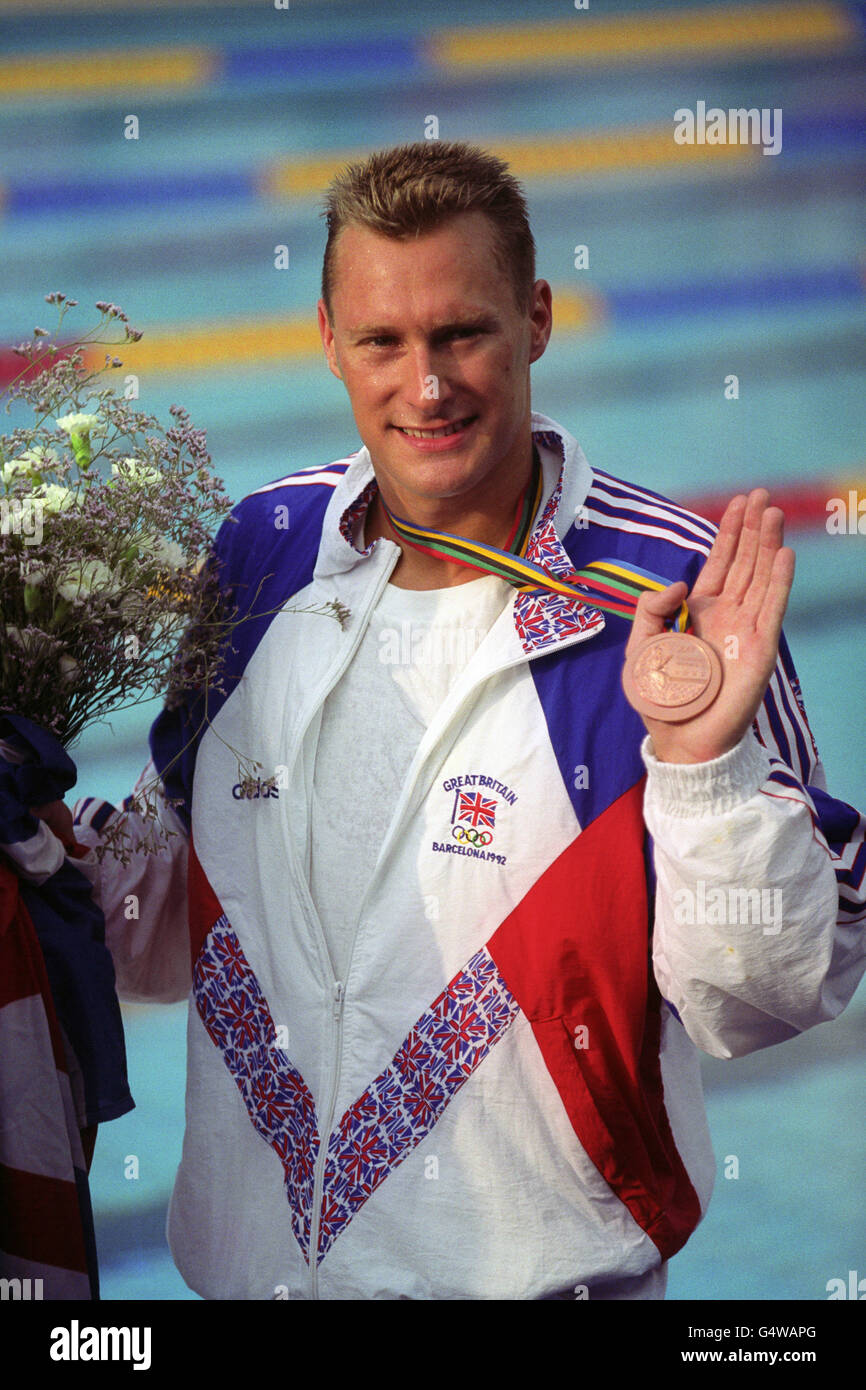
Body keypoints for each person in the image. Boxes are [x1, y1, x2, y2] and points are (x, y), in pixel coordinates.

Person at [69, 141, 864, 1300]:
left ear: (534, 319)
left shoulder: (667, 592)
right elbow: (162, 926)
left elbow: (771, 994)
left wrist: (697, 768)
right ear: (329, 339)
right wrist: (44, 833)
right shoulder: (262, 549)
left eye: (461, 333)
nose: (425, 386)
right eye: (384, 341)